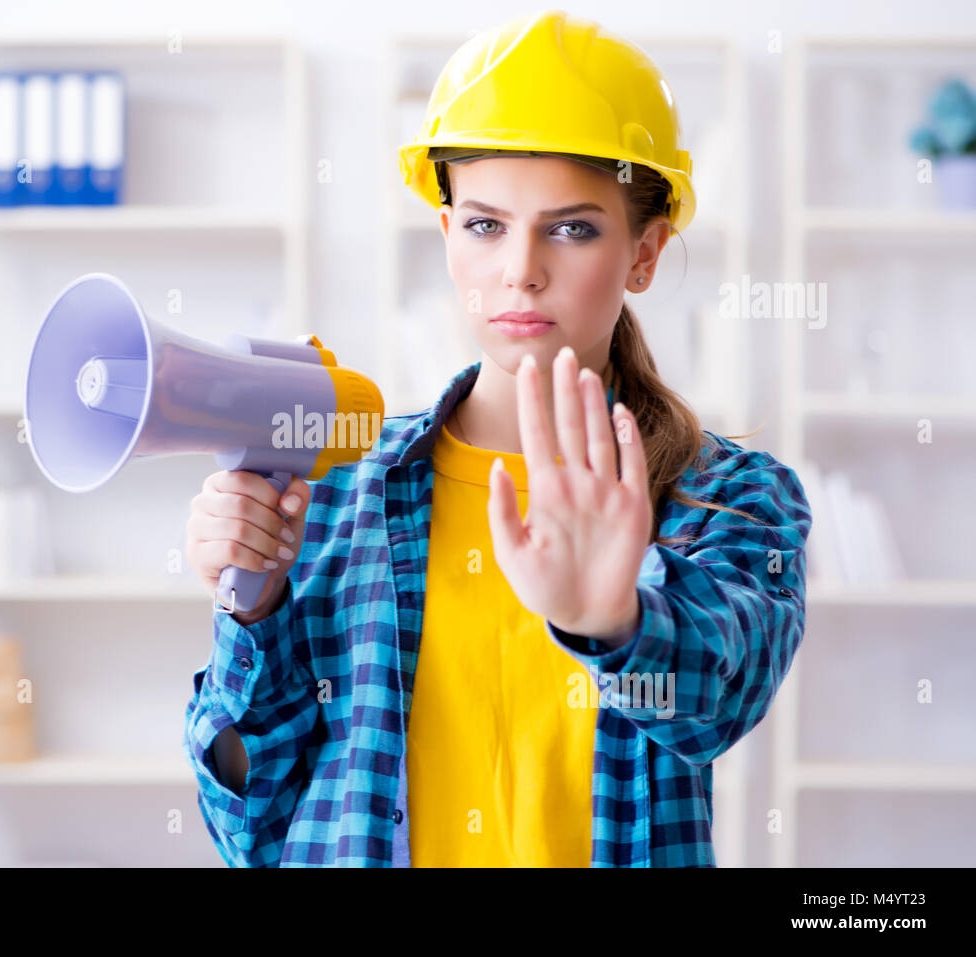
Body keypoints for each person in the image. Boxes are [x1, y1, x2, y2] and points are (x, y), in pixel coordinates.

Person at [183, 10, 812, 867]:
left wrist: (613, 620)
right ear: (447, 238)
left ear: (646, 253)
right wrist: (249, 607)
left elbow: (722, 696)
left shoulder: (730, 495)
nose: (521, 267)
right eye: (485, 224)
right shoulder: (330, 488)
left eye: (572, 226)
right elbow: (249, 827)